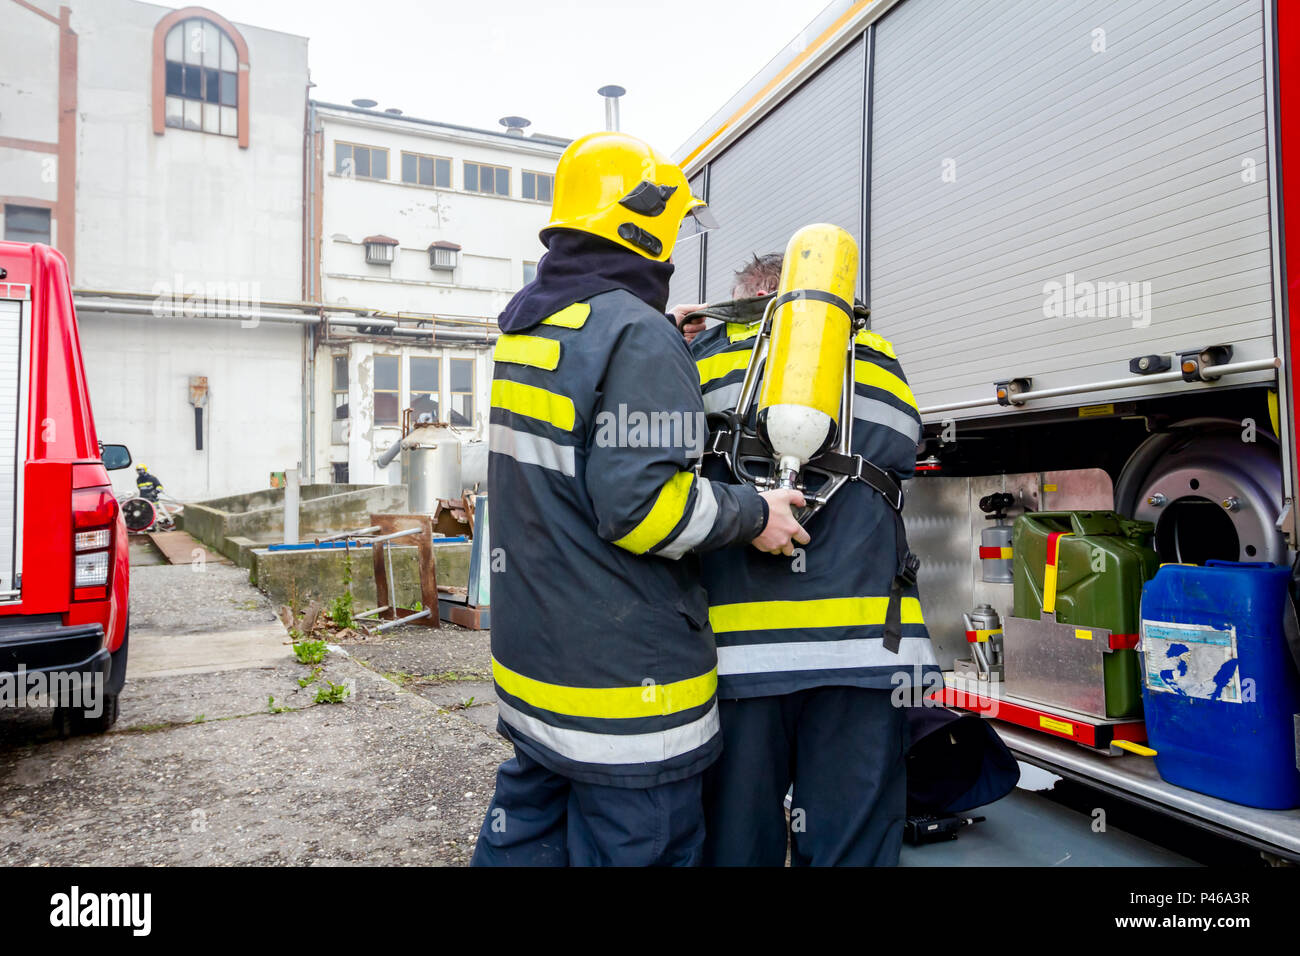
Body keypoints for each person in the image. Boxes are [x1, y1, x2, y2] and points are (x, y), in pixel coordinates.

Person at [470, 132, 809, 867]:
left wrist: (658, 336)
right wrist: (757, 514)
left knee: (526, 840)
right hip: (627, 699)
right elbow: (642, 509)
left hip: (539, 677)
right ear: (641, 221)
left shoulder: (533, 327)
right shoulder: (636, 336)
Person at [677, 251, 942, 866]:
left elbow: (655, 473)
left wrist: (686, 337)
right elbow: (904, 449)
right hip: (869, 655)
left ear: (746, 299)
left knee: (737, 838)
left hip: (743, 658)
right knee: (854, 837)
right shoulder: (877, 360)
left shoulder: (709, 358)